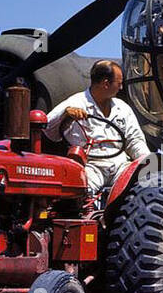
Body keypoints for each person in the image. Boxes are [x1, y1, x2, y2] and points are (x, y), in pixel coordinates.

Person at [44, 59, 151, 194]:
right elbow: (47, 128)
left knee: (142, 189)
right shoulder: (75, 102)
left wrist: (148, 161)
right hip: (90, 165)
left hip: (120, 166)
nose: (121, 88)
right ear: (106, 84)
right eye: (119, 83)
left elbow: (134, 140)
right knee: (80, 192)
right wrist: (64, 114)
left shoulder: (123, 108)